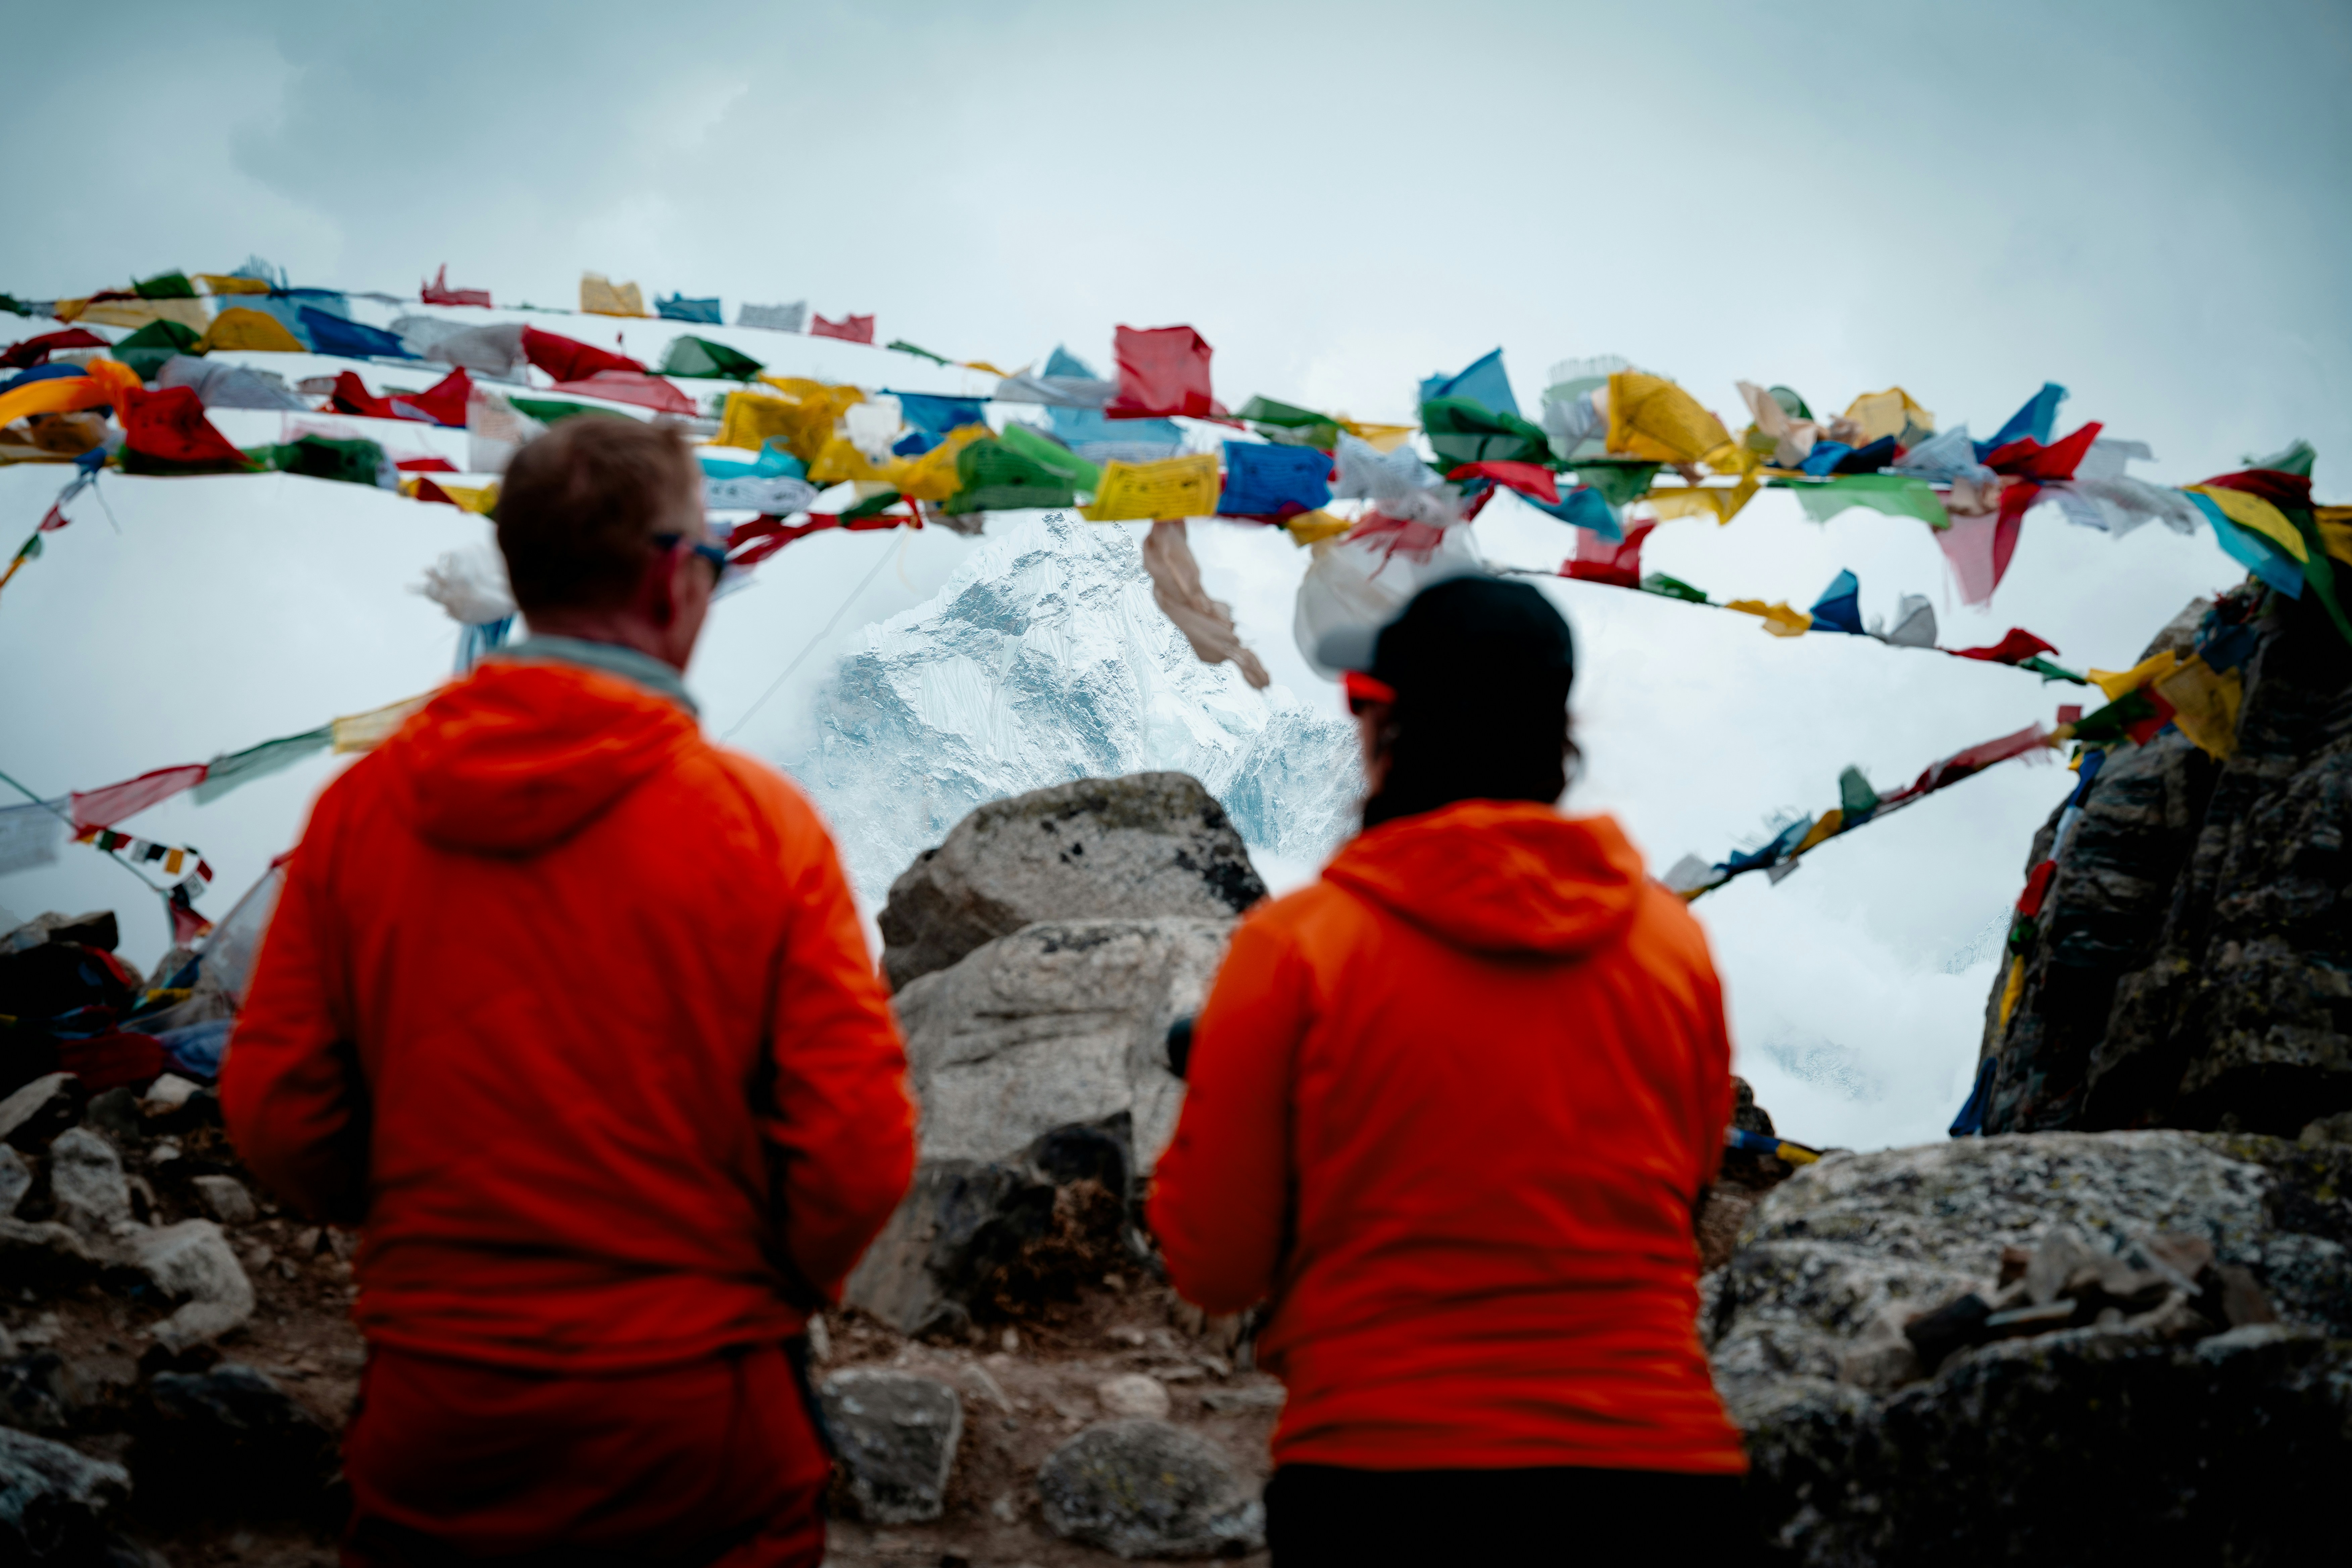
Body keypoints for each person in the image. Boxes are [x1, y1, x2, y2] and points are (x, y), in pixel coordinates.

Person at [222, 415, 917, 1568]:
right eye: (709, 556)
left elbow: (279, 1110)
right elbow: (858, 1145)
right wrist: (754, 1287)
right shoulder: (760, 828)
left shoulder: (365, 812)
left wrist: (425, 1228)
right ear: (668, 580)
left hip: (439, 1407)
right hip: (698, 1419)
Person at [1147, 574, 1749, 1565]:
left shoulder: (1299, 950)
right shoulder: (1671, 948)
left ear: (1386, 732)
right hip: (1664, 1482)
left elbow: (1216, 1265)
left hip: (1388, 1481)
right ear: (1558, 740)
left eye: (1361, 706)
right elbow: (1681, 1196)